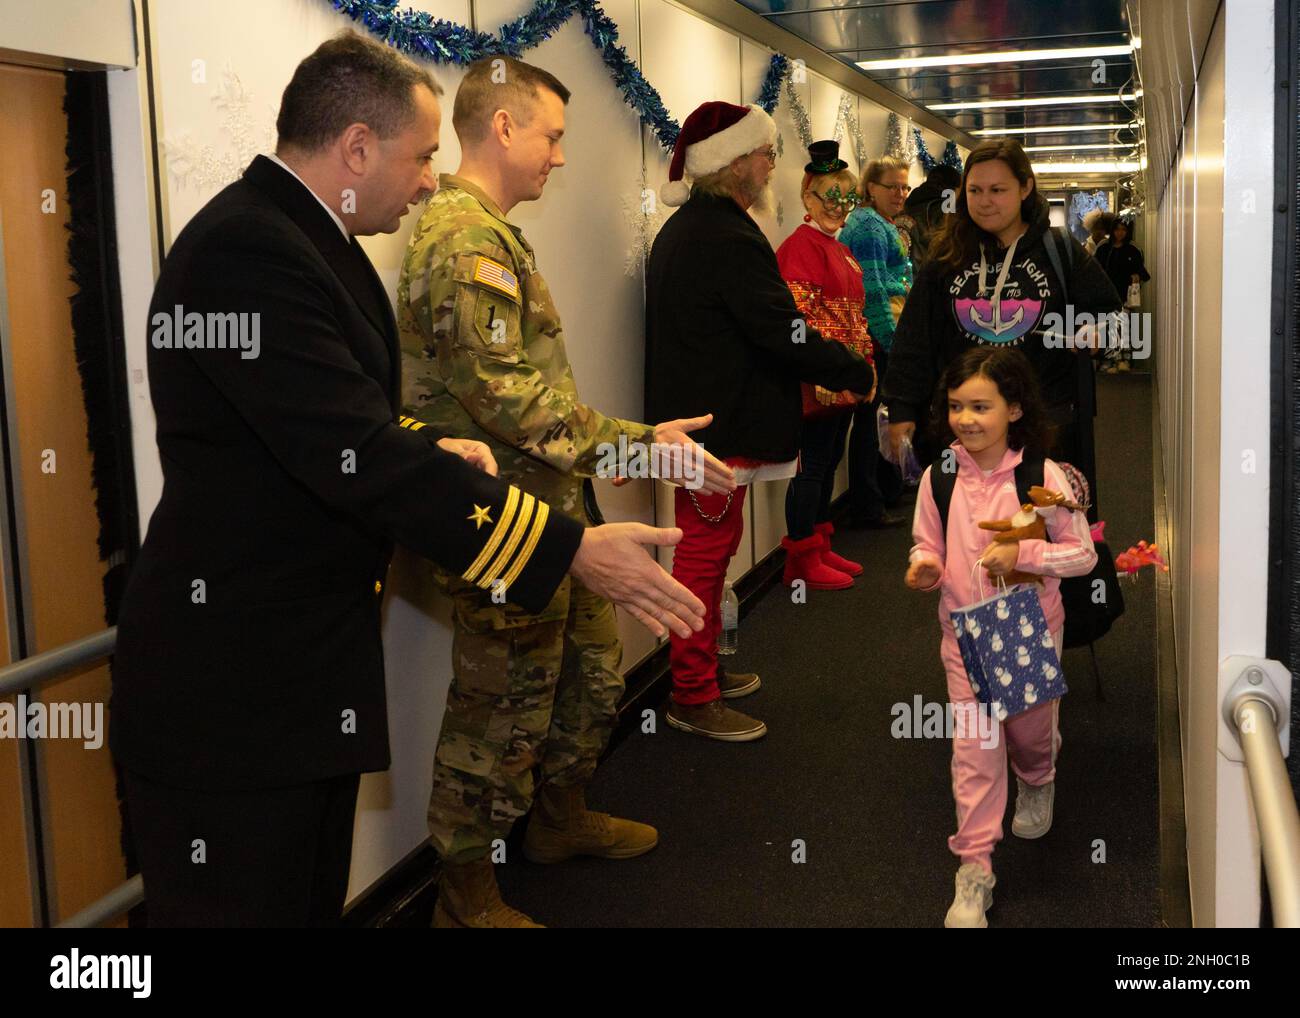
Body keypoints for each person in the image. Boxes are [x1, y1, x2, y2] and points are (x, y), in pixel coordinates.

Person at [110, 31, 705, 928]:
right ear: (355, 147)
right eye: (421, 155)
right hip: (238, 689)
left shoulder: (312, 240)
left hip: (293, 672)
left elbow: (343, 422)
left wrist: (427, 443)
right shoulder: (249, 252)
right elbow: (350, 451)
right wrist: (570, 547)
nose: (432, 178)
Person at [397, 56, 734, 928]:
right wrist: (636, 444)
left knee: (590, 671)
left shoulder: (490, 232)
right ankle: (465, 897)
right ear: (502, 127)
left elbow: (526, 394)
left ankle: (557, 821)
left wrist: (627, 450)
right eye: (550, 135)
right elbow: (505, 399)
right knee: (497, 711)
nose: (558, 156)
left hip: (555, 512)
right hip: (501, 524)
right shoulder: (463, 238)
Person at [646, 101, 875, 742]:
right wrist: (853, 369)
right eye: (766, 153)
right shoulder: (722, 234)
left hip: (713, 429)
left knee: (711, 557)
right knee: (702, 561)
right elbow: (784, 331)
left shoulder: (705, 226)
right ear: (734, 162)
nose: (773, 164)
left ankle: (704, 674)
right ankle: (692, 694)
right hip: (716, 435)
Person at [905, 346, 1096, 927]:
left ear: (1013, 408)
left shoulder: (1044, 475)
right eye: (957, 406)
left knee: (1031, 733)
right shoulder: (940, 474)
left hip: (1027, 632)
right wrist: (925, 564)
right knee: (975, 751)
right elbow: (926, 540)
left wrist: (1025, 552)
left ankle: (1039, 777)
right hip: (963, 633)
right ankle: (975, 871)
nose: (966, 419)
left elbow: (1083, 554)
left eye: (981, 406)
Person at [883, 138, 1122, 520]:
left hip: (1045, 426)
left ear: (1025, 188)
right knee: (970, 535)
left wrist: (1095, 333)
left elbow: (1112, 316)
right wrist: (901, 409)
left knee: (1043, 537)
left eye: (998, 190)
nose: (985, 201)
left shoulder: (1058, 250)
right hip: (966, 428)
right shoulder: (947, 255)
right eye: (975, 191)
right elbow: (915, 339)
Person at [775, 140, 876, 590]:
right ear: (807, 198)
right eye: (829, 197)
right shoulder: (800, 246)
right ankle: (801, 557)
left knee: (830, 459)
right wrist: (827, 375)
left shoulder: (843, 249)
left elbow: (858, 315)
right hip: (819, 380)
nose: (838, 208)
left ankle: (819, 545)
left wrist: (866, 367)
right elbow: (800, 320)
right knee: (812, 466)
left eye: (846, 198)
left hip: (847, 378)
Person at [840, 156, 914, 529]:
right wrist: (889, 341)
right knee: (870, 422)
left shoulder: (881, 223)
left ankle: (883, 491)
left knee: (877, 420)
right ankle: (868, 505)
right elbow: (873, 292)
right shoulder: (869, 225)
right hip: (875, 334)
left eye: (905, 187)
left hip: (882, 332)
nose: (900, 194)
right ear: (871, 188)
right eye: (893, 186)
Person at [1094, 218, 1150, 373]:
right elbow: (1093, 270)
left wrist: (1136, 276)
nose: (1120, 233)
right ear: (1112, 230)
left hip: (1126, 297)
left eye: (1123, 230)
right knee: (1107, 328)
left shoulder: (1133, 249)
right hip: (1106, 297)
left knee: (1124, 328)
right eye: (1117, 229)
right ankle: (1109, 360)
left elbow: (1142, 272)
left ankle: (1124, 359)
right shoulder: (1103, 248)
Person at [902, 163, 962, 270]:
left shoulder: (910, 203)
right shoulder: (947, 208)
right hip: (932, 275)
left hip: (907, 273)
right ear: (953, 188)